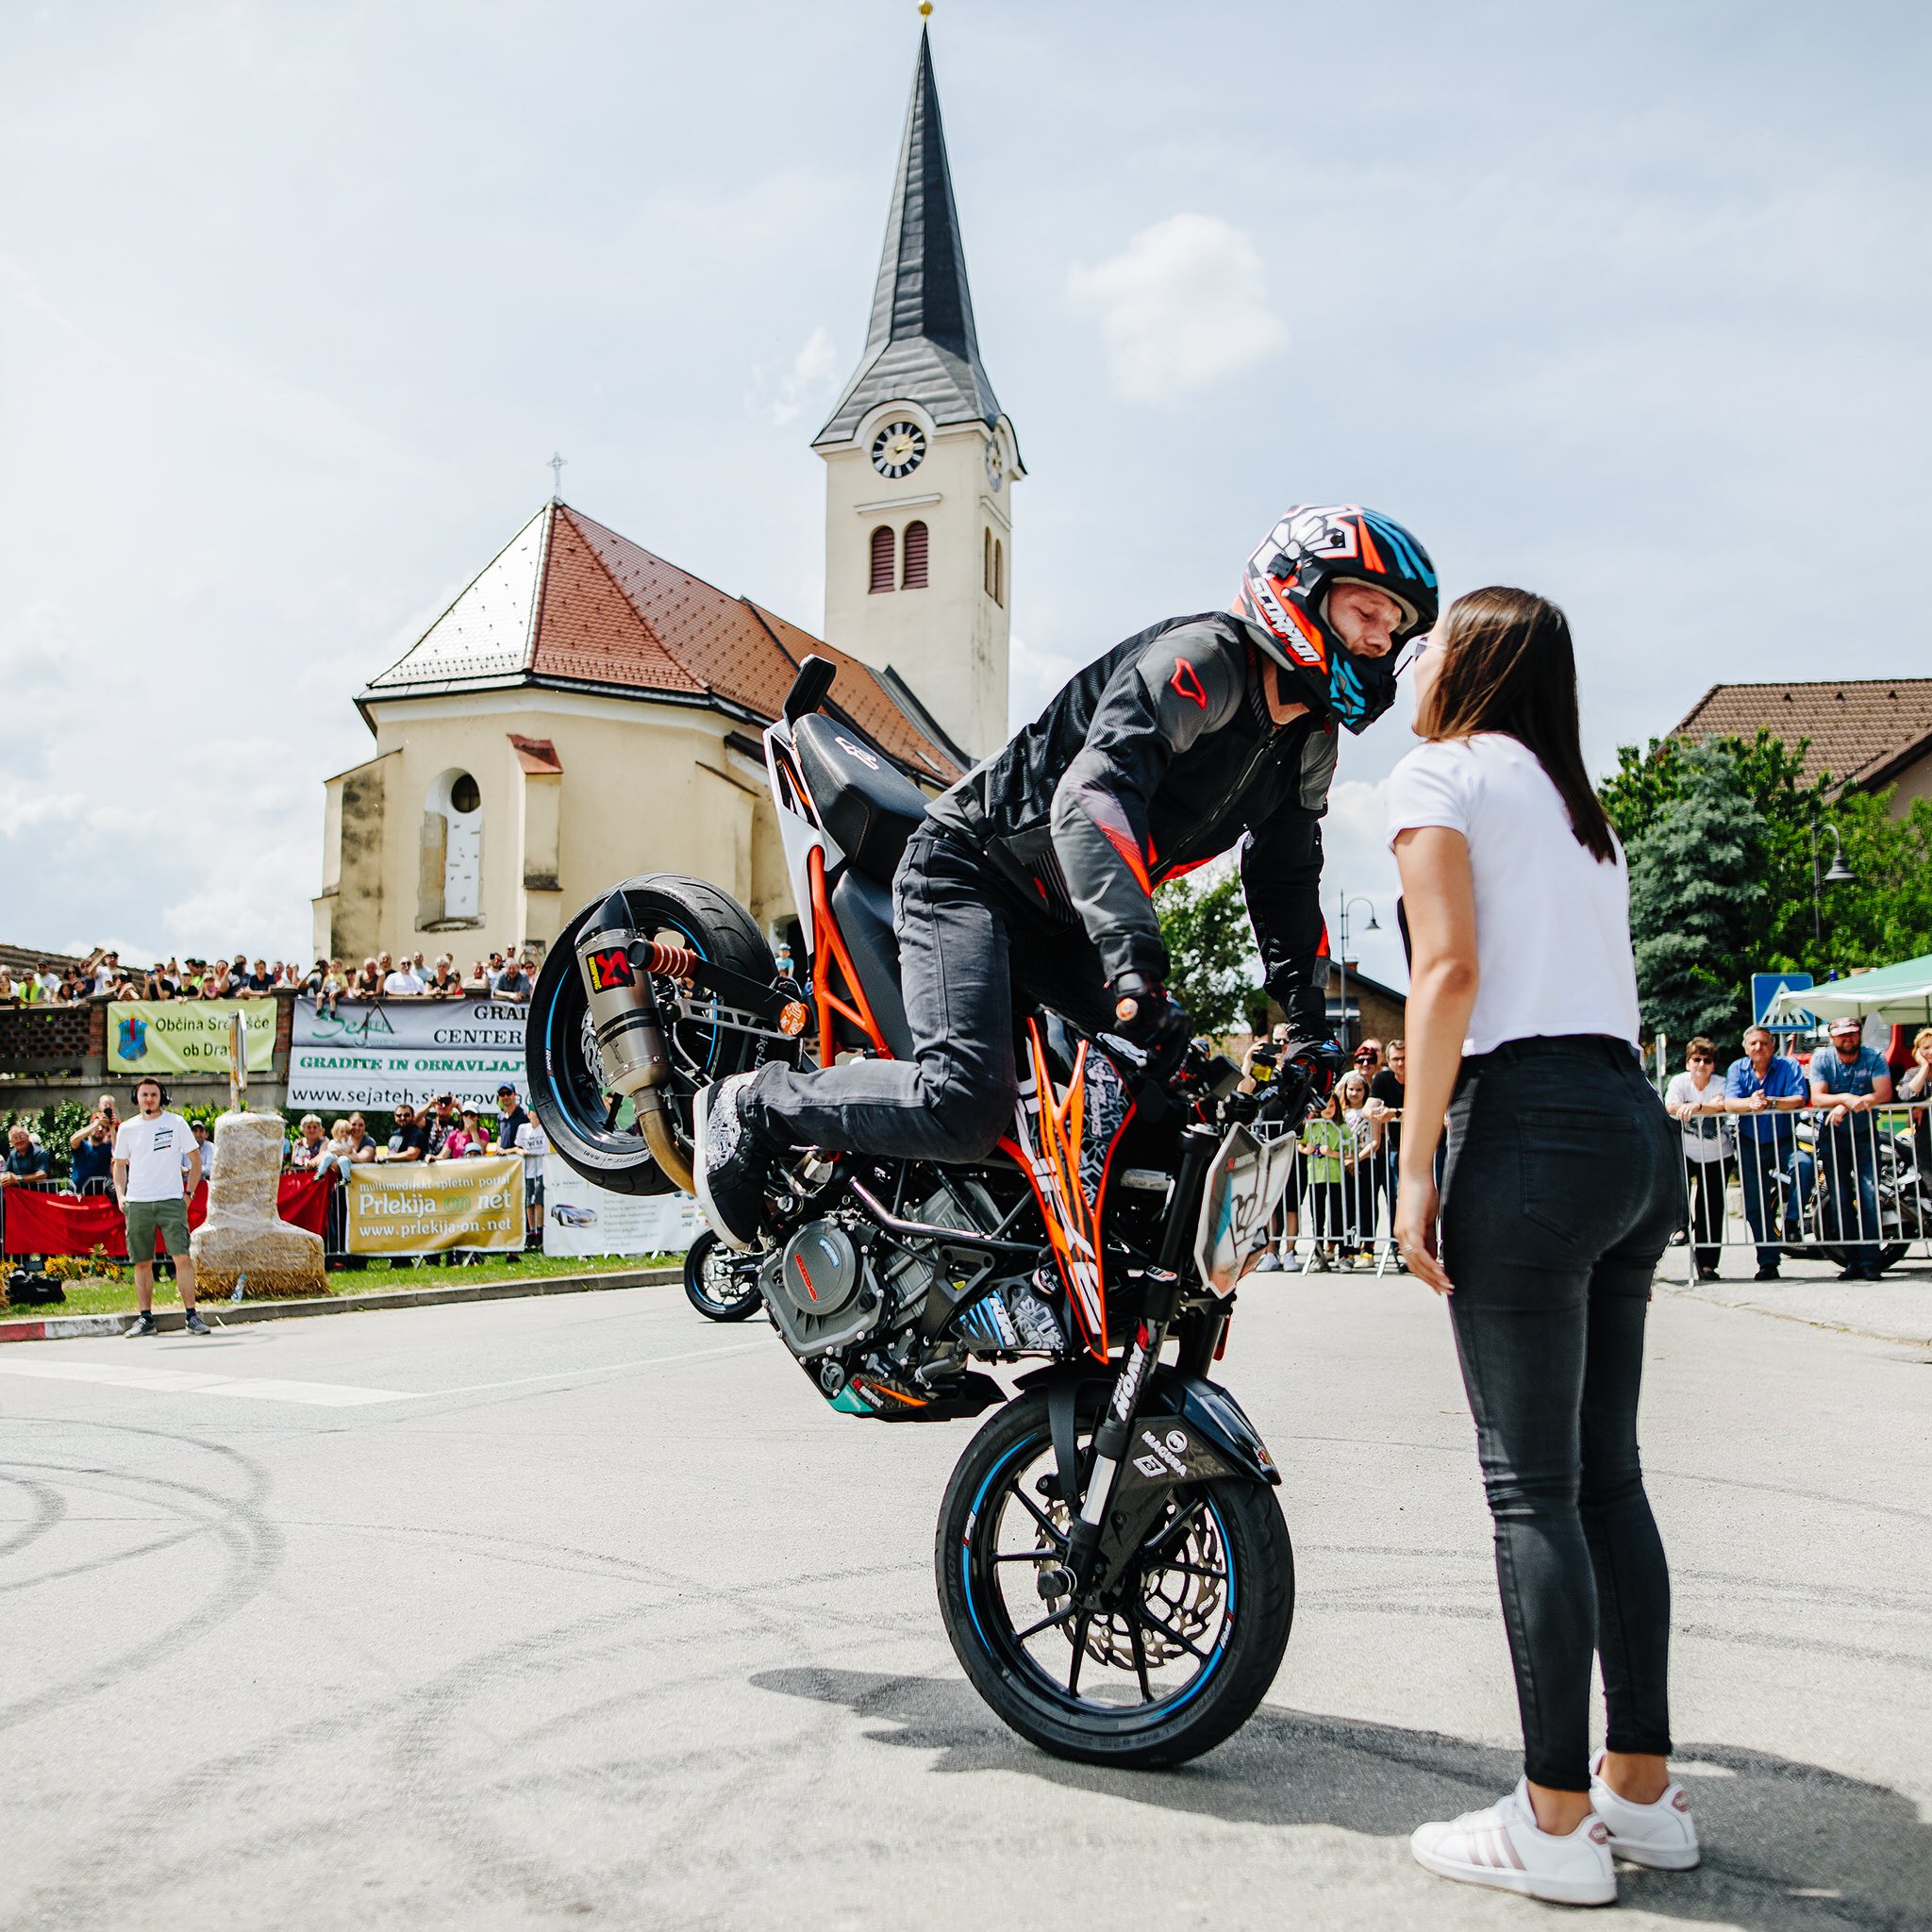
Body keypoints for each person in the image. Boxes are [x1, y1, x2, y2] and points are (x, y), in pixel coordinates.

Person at [695, 504, 1439, 1250]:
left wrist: (1308, 1025)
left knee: (1167, 1108)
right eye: (1368, 609)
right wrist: (1133, 966)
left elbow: (1286, 872)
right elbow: (1094, 798)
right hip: (972, 870)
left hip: (1063, 920)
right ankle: (757, 1105)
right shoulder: (1206, 661)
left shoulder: (1309, 738)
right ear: (1298, 587)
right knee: (962, 1102)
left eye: (1396, 626)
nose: (1381, 637)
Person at [1391, 587, 1693, 1907]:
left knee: (1532, 1492)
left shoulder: (1440, 773)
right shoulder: (1583, 812)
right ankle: (1642, 1791)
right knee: (1607, 1479)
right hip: (1632, 1125)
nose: (1414, 655)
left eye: (1434, 639)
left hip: (1530, 1132)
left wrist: (1411, 1166)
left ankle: (1554, 1823)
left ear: (1475, 664)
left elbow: (1444, 972)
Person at [115, 1076, 209, 1337]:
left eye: (153, 1094)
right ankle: (145, 1318)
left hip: (170, 1200)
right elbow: (119, 1164)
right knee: (142, 1261)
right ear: (137, 1098)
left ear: (161, 1096)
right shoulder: (127, 1128)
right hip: (138, 1202)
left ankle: (191, 1315)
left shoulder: (176, 1122)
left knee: (182, 1257)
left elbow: (195, 1160)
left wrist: (188, 1193)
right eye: (144, 1094)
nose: (148, 1099)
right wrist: (121, 1197)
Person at [1724, 1025, 1812, 1281]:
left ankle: (1793, 1220)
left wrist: (1770, 1102)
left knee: (1804, 1165)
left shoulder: (1789, 1066)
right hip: (1750, 1142)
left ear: (1773, 1046)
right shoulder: (1737, 1068)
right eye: (1753, 1044)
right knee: (1756, 1204)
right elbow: (1730, 1102)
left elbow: (1798, 1098)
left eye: (1763, 1043)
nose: (1758, 1048)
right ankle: (1768, 1262)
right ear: (1745, 1048)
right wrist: (1750, 1103)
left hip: (1783, 1139)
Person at [1809, 1014, 1894, 1281]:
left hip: (1865, 1132)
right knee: (1840, 1197)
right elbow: (1816, 1096)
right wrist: (1845, 1098)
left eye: (1852, 1033)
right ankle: (1851, 1260)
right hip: (1833, 1135)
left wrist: (1846, 1104)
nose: (1848, 1038)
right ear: (1832, 1037)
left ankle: (1871, 1260)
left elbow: (1884, 1092)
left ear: (1859, 1035)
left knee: (1869, 1195)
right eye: (1842, 1034)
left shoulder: (1874, 1056)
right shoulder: (1822, 1059)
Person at [1664, 1037, 1730, 1280]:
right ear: (1688, 1062)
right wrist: (1703, 1105)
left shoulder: (1721, 1083)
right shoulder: (1679, 1081)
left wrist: (1695, 1107)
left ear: (1713, 1065)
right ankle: (1681, 1228)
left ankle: (1707, 1265)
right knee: (1677, 1195)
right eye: (1696, 1059)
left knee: (1710, 1209)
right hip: (1685, 1151)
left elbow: (1722, 1105)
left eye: (1707, 1060)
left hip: (1717, 1154)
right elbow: (1670, 1106)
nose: (1701, 1064)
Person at [1366, 1038, 1407, 1268]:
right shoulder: (1382, 1079)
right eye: (1396, 1059)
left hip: (1433, 1147)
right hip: (1397, 1147)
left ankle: (1433, 1245)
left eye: (1404, 1058)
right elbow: (1367, 1109)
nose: (1401, 1063)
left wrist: (1396, 1113)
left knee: (1436, 1196)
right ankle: (1399, 1247)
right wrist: (1376, 1113)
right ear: (1388, 1061)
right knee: (1397, 1198)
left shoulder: (1420, 1075)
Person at [1337, 1068, 1382, 1266]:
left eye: (1359, 1090)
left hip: (1365, 1162)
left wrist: (1356, 1159)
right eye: (1351, 1089)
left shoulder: (1369, 1111)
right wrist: (1347, 1160)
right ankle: (1347, 1250)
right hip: (1344, 1163)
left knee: (1367, 1205)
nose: (1354, 1093)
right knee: (1346, 1205)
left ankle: (1367, 1248)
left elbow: (1375, 1141)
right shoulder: (1341, 1112)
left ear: (1365, 1091)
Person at [1299, 1091, 1347, 1270]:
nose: (1328, 1109)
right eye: (1325, 1105)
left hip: (1335, 1177)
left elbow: (1350, 1151)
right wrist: (1306, 1149)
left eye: (1332, 1106)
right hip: (1315, 1176)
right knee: (1317, 1216)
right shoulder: (1312, 1126)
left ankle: (1340, 1253)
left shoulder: (1342, 1127)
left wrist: (1332, 1153)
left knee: (1336, 1215)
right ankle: (1318, 1253)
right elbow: (1300, 1143)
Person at [70, 1115, 117, 1193]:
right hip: (77, 1195)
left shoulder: (107, 1148)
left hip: (98, 1197)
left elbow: (117, 1154)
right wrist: (96, 1124)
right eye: (98, 1126)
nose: (100, 1129)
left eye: (103, 1127)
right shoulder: (82, 1145)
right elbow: (73, 1140)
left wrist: (112, 1129)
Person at [493, 1083, 531, 1153]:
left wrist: (507, 1151)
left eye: (508, 1093)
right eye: (502, 1094)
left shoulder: (524, 1115)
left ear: (515, 1094)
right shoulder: (500, 1117)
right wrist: (498, 1148)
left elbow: (529, 1140)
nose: (505, 1096)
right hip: (505, 1160)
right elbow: (500, 1136)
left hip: (520, 1159)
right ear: (499, 1097)